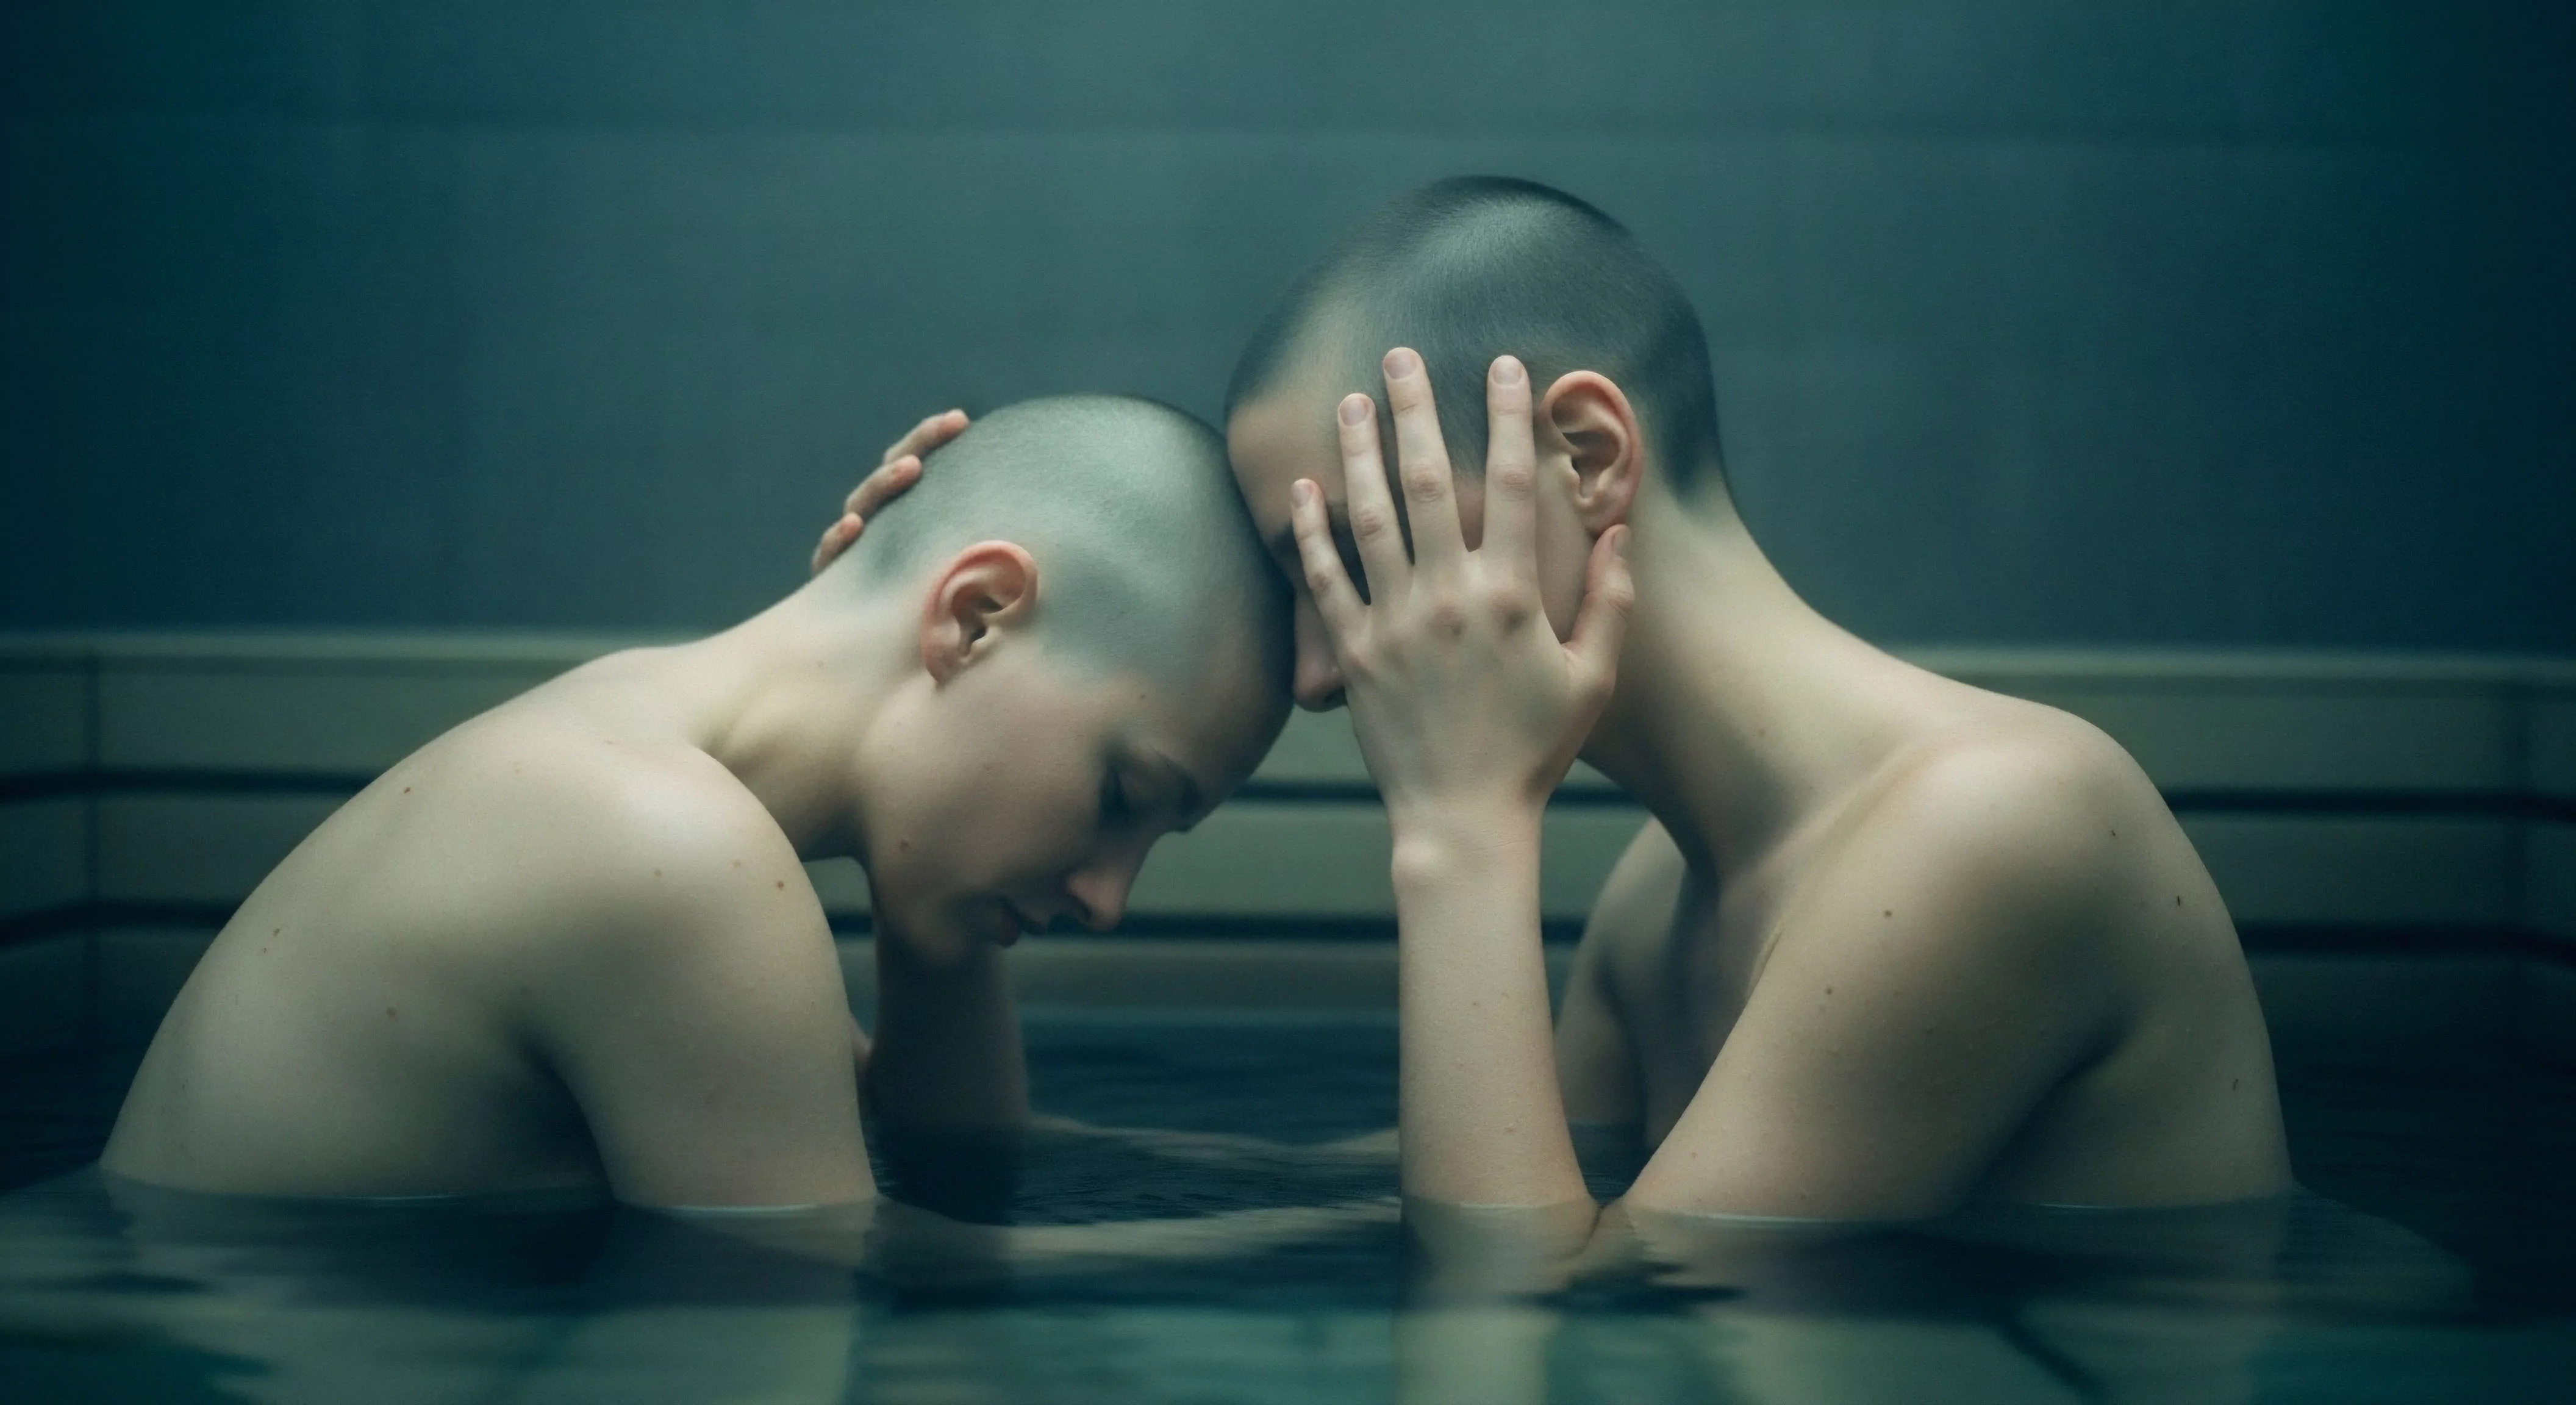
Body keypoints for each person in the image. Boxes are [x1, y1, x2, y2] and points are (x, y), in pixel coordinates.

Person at [828, 178, 2292, 1230]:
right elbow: (1413, 1194)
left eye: (1350, 552)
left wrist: (1463, 822)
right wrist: (903, 741)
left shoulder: (1991, 827)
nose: (1321, 674)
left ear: (1585, 456)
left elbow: (1530, 1331)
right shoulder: (1673, 892)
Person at [104, 396, 1292, 1209]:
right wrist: (1334, 1238)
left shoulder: (644, 754)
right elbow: (875, 1286)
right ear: (974, 612)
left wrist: (941, 911)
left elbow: (951, 1167)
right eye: (1123, 797)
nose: (1107, 898)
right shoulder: (666, 844)